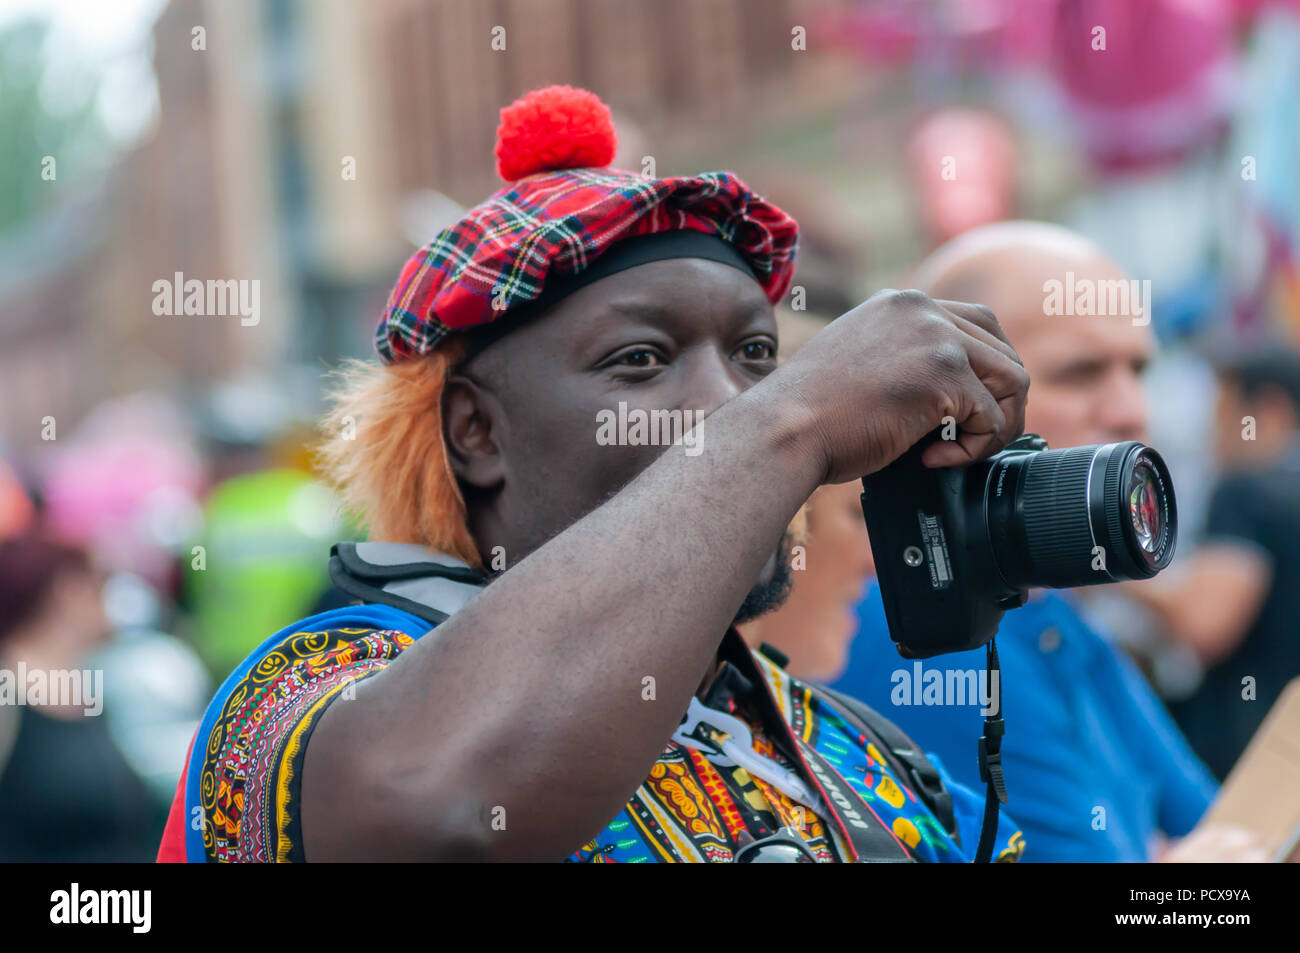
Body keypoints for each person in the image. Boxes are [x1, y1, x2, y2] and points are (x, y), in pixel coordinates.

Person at [157, 85, 1031, 863]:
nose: (731, 400)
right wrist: (786, 418)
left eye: (758, 355)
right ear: (475, 432)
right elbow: (435, 810)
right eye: (642, 358)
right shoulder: (317, 691)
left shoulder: (855, 749)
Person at [831, 221, 1229, 862]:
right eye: (1081, 373)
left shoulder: (1041, 598)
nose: (1132, 410)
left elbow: (1211, 824)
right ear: (948, 398)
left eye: (1139, 369)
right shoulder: (925, 630)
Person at [1124, 346, 1300, 780]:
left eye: (1222, 413)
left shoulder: (1248, 492)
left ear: (1268, 410)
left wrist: (1108, 569)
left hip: (1249, 755)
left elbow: (1205, 625)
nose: (1213, 434)